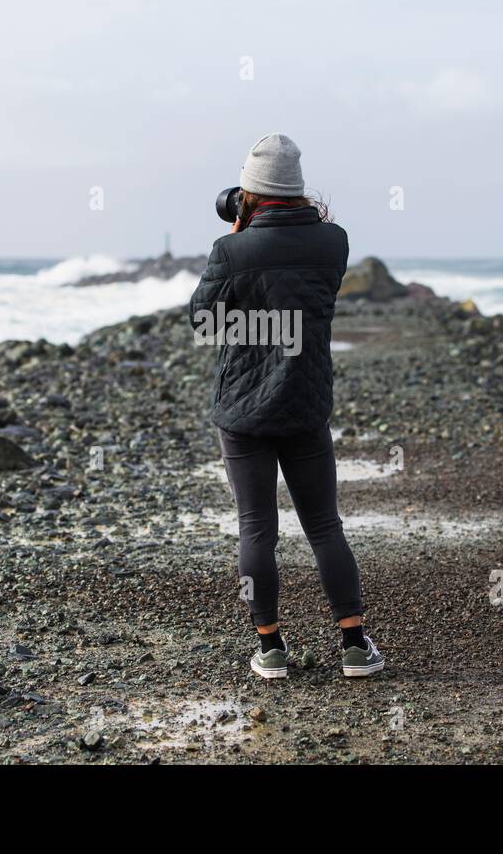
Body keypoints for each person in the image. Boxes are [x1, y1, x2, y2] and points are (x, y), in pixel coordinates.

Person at [189, 133, 384, 680]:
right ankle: (354, 645)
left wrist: (236, 243)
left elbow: (203, 322)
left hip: (244, 411)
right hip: (304, 403)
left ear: (249, 193)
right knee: (324, 525)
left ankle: (270, 648)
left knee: (256, 528)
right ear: (297, 188)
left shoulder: (232, 250)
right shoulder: (334, 242)